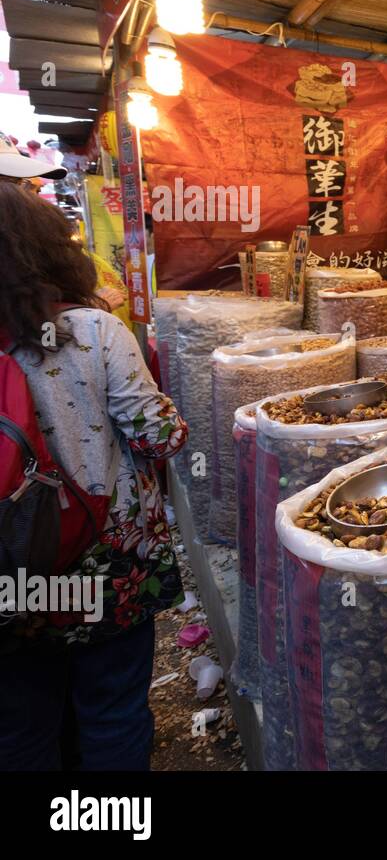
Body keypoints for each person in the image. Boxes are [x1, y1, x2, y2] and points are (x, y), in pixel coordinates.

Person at [0, 185, 188, 770]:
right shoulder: (92, 331)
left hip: (11, 565)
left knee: (22, 727)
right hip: (105, 560)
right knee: (112, 713)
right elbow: (158, 436)